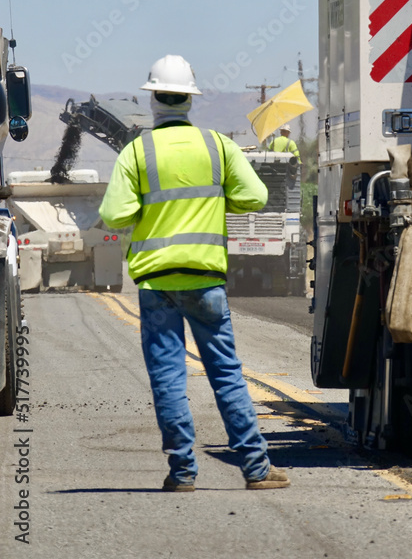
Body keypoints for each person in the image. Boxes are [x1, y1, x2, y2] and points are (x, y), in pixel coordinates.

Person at [98, 54, 290, 493]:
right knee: (226, 373)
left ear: (153, 101)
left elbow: (114, 214)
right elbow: (256, 197)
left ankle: (183, 472)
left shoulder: (137, 151)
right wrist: (218, 201)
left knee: (168, 377)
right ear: (189, 100)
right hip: (206, 284)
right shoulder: (217, 146)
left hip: (157, 286)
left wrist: (147, 205)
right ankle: (257, 470)